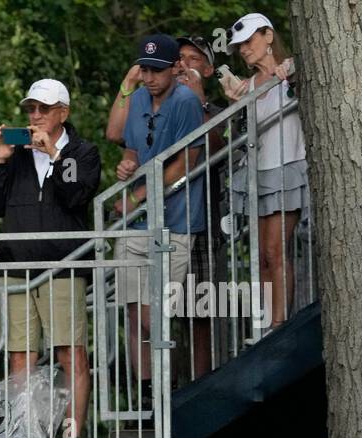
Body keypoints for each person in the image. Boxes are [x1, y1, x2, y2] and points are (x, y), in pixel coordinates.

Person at [0, 80, 102, 438]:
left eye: (43, 109)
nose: (35, 116)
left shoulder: (83, 152)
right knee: (20, 356)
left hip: (63, 266)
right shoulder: (16, 154)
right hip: (17, 265)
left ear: (63, 112)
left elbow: (77, 195)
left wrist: (55, 157)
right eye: (31, 109)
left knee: (71, 353)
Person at [111, 35, 206, 414]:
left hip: (176, 222)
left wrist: (135, 197)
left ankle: (171, 391)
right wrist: (127, 167)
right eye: (144, 69)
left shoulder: (185, 101)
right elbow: (119, 138)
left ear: (174, 69)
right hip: (136, 225)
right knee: (134, 311)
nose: (149, 76)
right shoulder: (136, 98)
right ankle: (147, 395)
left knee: (156, 313)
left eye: (156, 70)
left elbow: (187, 161)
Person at [225, 12, 306, 331]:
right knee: (260, 255)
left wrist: (289, 74)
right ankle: (266, 326)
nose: (244, 49)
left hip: (286, 167)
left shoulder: (295, 67)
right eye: (239, 46)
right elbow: (240, 138)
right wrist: (234, 106)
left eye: (248, 41)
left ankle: (279, 326)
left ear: (268, 36)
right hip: (257, 172)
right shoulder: (246, 86)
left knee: (275, 250)